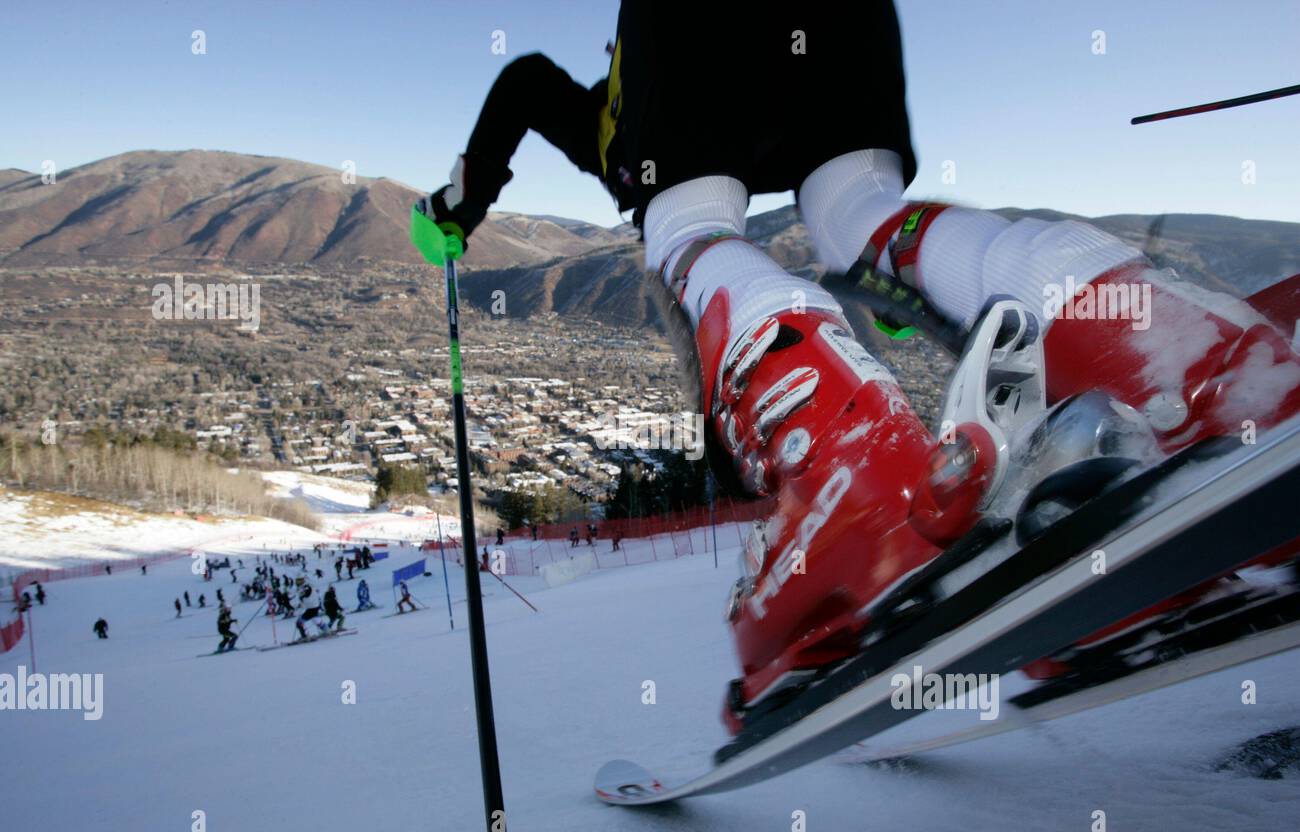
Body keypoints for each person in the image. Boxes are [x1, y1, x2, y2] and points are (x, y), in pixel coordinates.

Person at [423, 0, 1300, 729]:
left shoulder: (609, 108)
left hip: (691, 25)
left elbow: (524, 80)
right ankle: (1196, 362)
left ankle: (852, 488)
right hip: (842, 23)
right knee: (865, 216)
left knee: (690, 228)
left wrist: (457, 208)